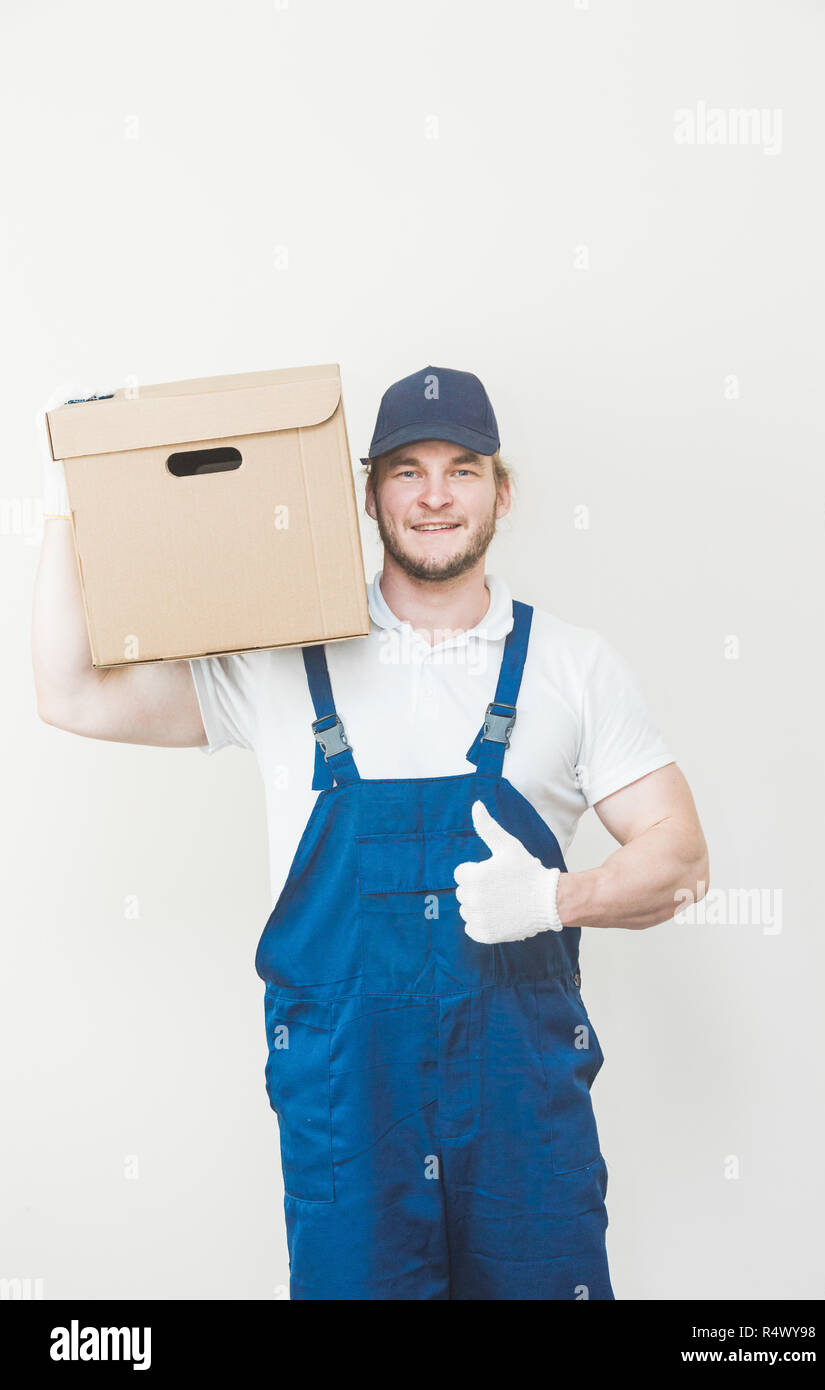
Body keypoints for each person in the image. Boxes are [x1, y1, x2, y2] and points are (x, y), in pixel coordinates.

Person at [32, 364, 709, 1301]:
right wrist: (74, 492)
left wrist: (557, 897)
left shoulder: (573, 667)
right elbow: (69, 690)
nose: (435, 495)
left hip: (525, 1139)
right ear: (365, 492)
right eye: (406, 470)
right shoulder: (278, 662)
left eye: (462, 469)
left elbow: (680, 864)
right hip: (351, 1127)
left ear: (501, 492)